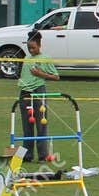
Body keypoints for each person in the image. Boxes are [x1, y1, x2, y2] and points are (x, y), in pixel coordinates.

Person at [17, 29, 61, 162]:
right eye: (29, 47)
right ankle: (27, 155)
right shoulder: (26, 58)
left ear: (39, 45)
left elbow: (56, 76)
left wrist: (41, 74)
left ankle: (42, 155)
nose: (31, 50)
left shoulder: (45, 58)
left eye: (33, 47)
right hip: (24, 93)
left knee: (41, 124)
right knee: (27, 125)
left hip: (38, 91)